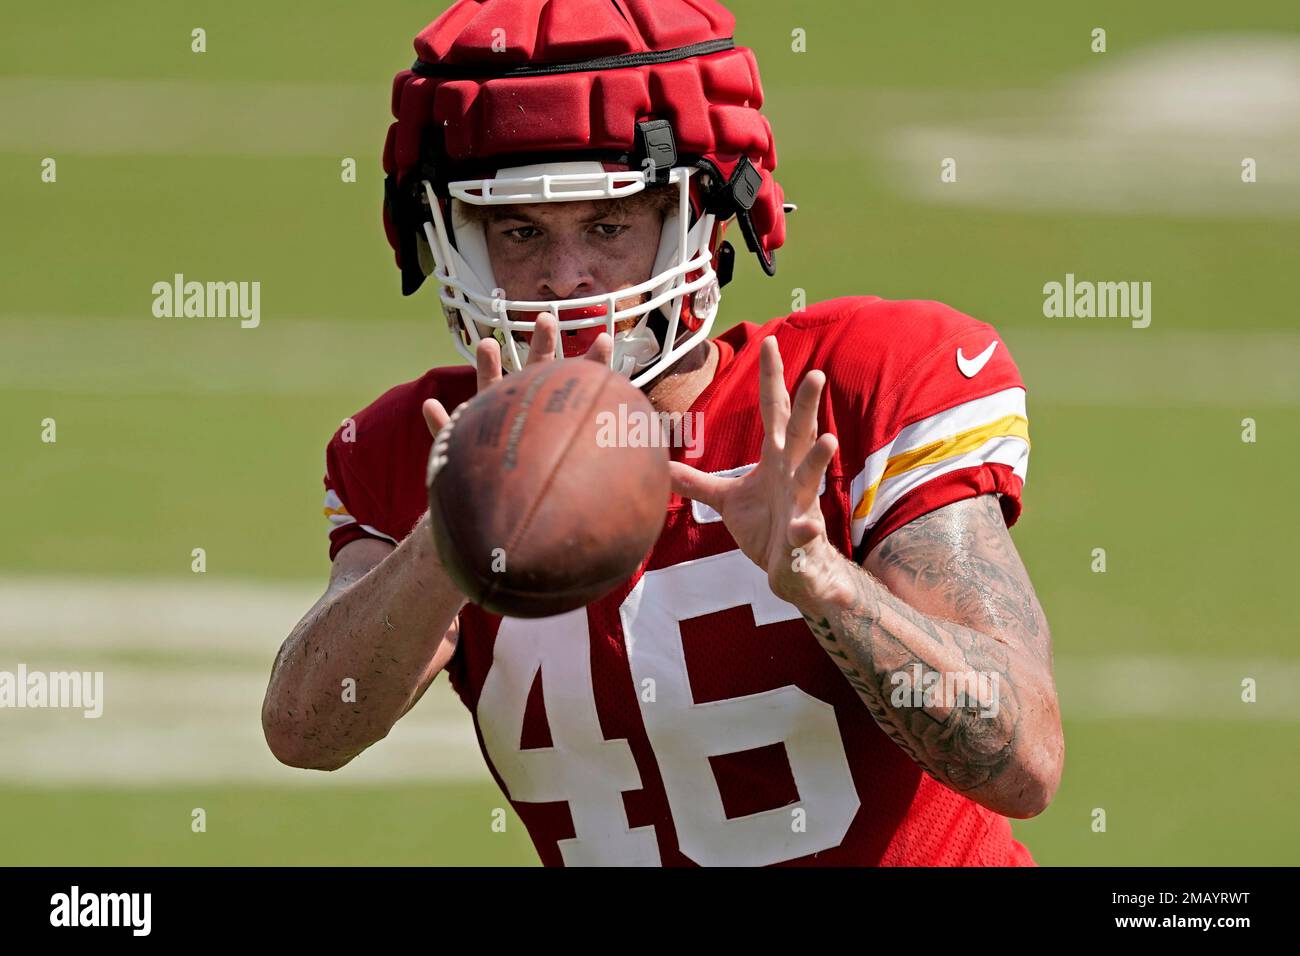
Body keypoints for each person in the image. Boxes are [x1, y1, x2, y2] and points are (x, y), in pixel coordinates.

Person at [262, 0, 1063, 867]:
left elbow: (1023, 763)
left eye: (609, 227)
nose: (565, 279)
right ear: (449, 237)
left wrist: (826, 584)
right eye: (518, 230)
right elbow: (307, 730)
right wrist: (448, 538)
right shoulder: (423, 443)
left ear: (703, 216)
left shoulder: (857, 387)